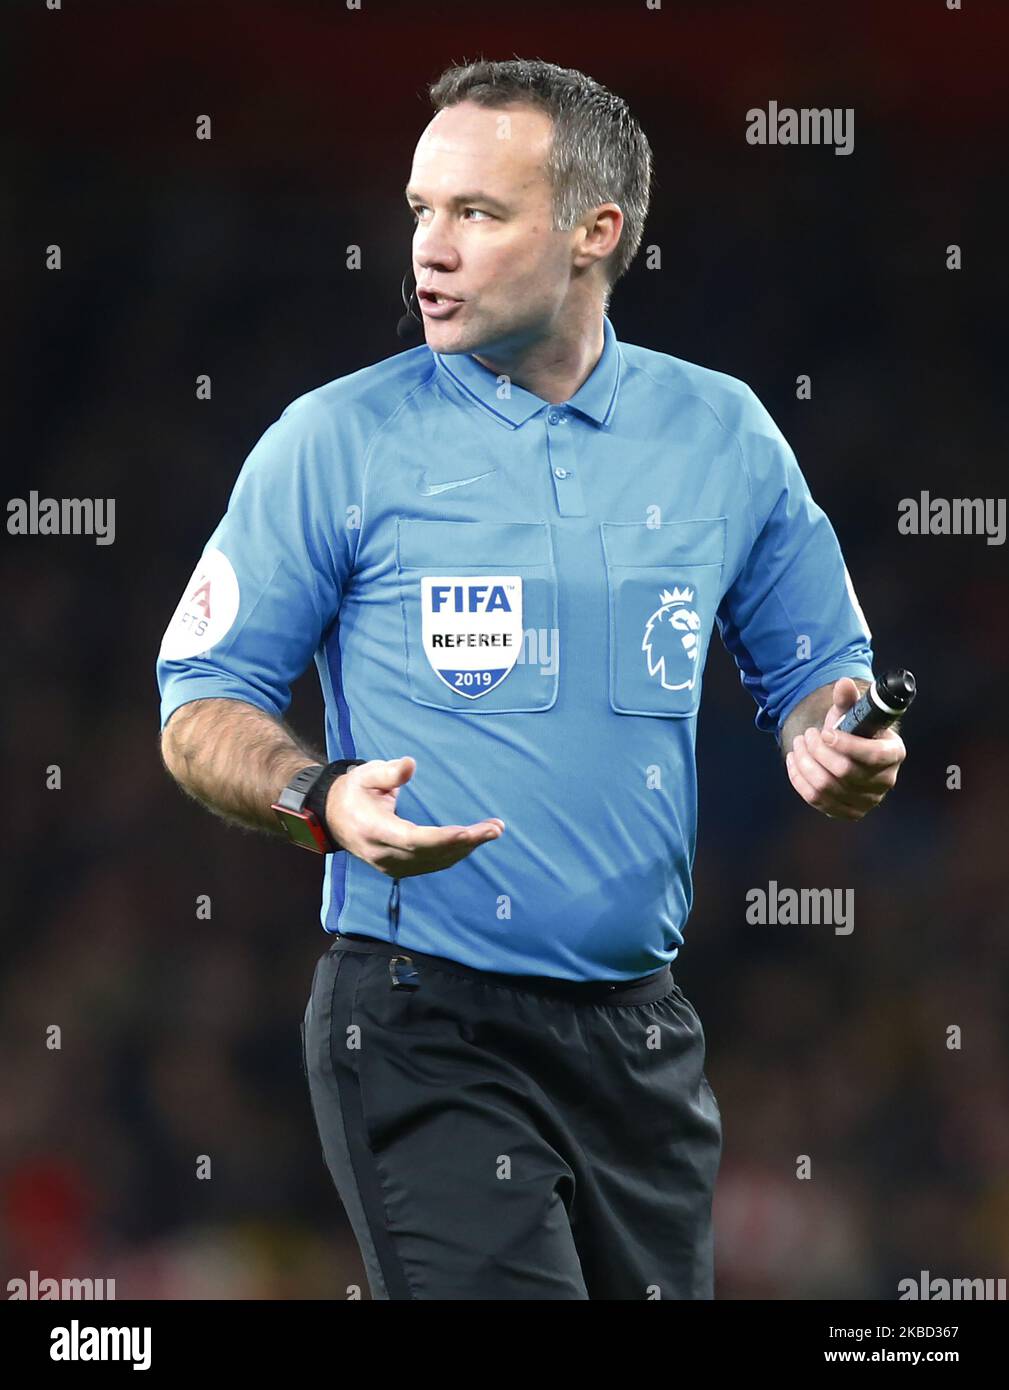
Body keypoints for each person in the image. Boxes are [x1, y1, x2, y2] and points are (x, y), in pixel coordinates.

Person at [155, 58, 906, 1300]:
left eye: (475, 213)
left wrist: (840, 740)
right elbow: (199, 706)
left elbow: (823, 671)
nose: (426, 250)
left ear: (592, 234)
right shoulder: (332, 440)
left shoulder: (720, 434)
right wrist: (322, 797)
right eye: (418, 210)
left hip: (641, 1035)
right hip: (420, 1018)